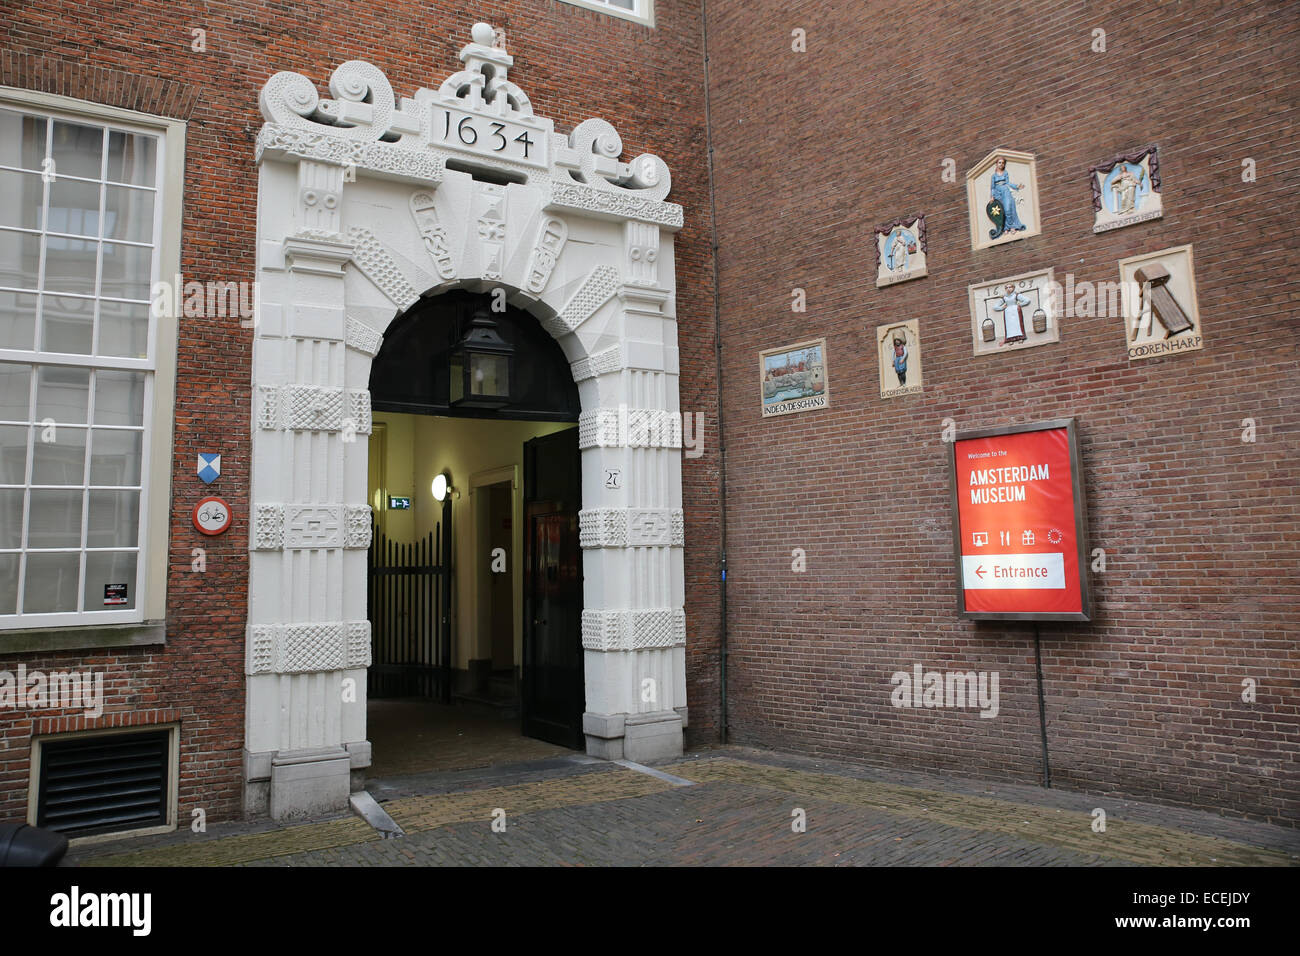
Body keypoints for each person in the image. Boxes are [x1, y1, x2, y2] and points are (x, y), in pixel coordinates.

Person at [989, 156, 1027, 232]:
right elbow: (992, 187)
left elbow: (1008, 183)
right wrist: (992, 197)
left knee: (1008, 209)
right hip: (998, 194)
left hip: (1005, 191)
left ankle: (1012, 226)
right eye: (999, 162)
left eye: (1003, 163)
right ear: (996, 164)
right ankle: (1006, 228)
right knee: (1002, 211)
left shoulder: (1005, 173)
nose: (1001, 164)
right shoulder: (993, 176)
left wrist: (1017, 186)